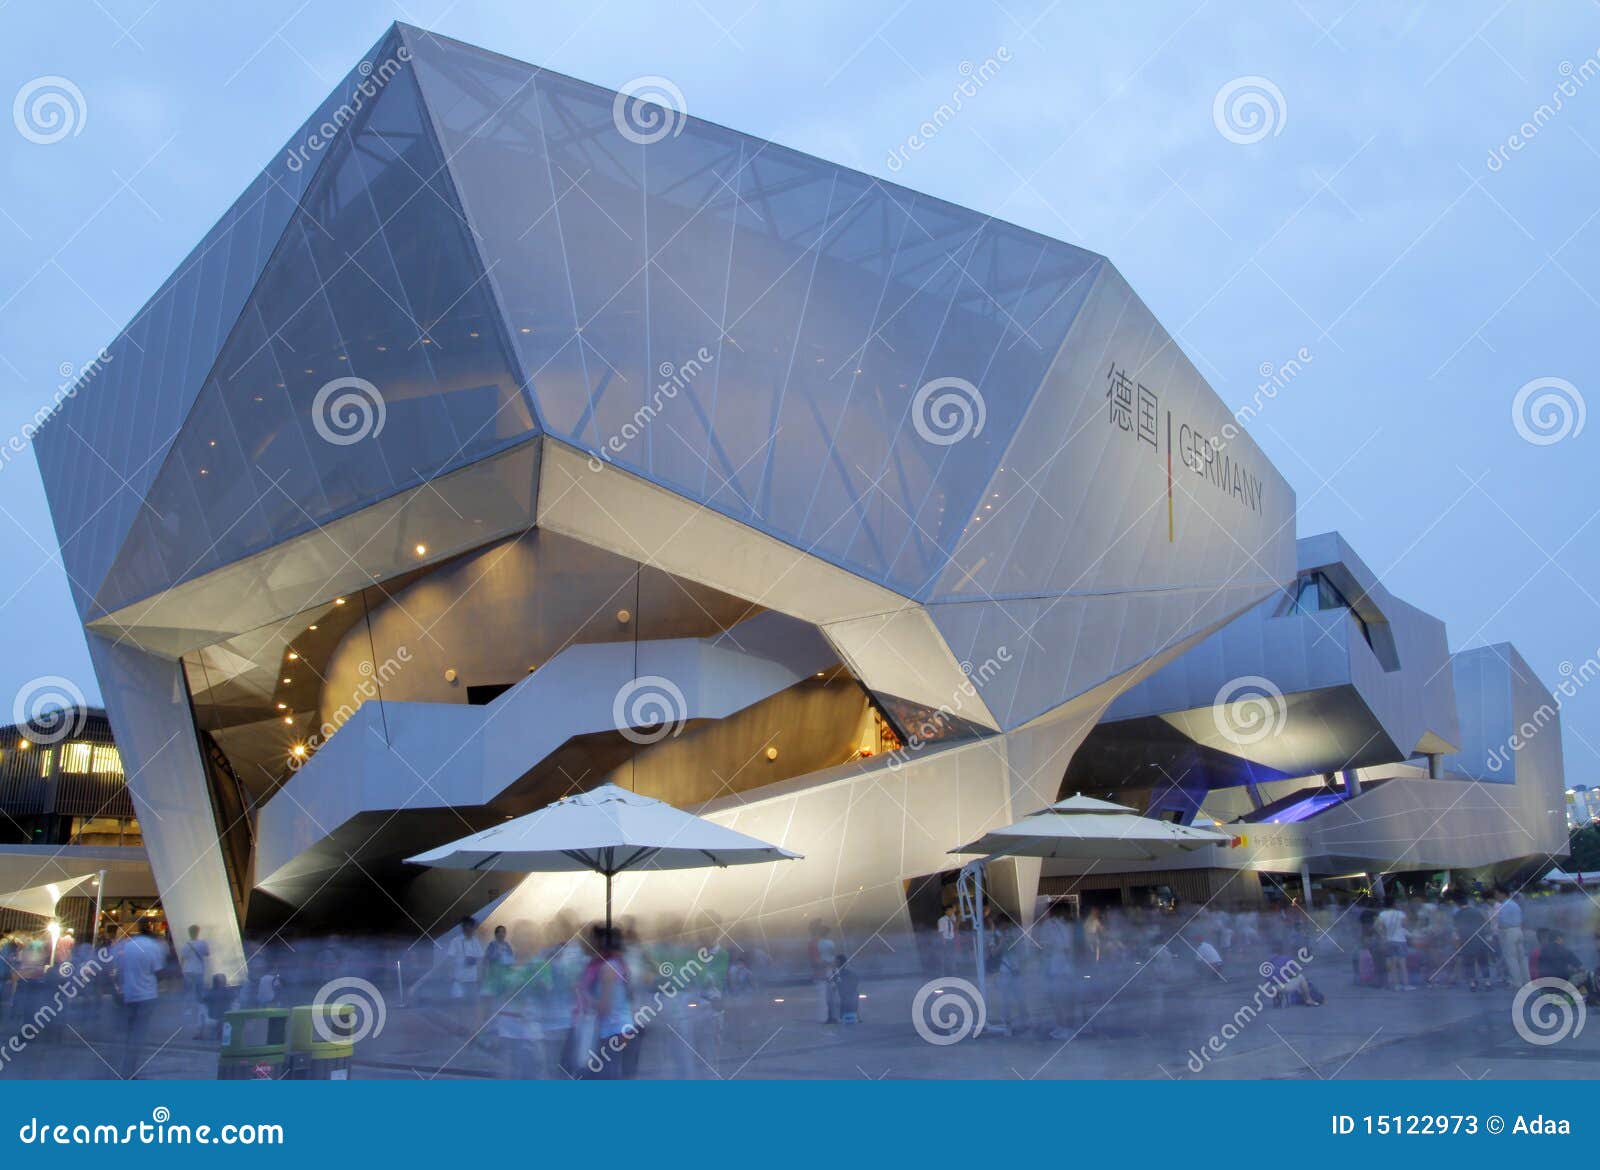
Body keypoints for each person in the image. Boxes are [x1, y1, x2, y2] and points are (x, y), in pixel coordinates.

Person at [573, 926, 635, 1079]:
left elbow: (604, 1008)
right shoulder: (617, 963)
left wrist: (583, 994)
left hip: (612, 1030)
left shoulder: (607, 968)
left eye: (591, 939)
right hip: (620, 1026)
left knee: (607, 1074)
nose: (588, 943)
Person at [114, 920, 167, 1079]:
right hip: (147, 995)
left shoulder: (128, 946)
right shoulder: (153, 947)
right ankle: (131, 1070)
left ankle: (126, 1067)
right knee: (140, 1034)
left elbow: (120, 969)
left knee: (130, 1033)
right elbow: (158, 972)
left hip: (130, 994)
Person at [444, 916, 486, 1033]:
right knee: (460, 1005)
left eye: (471, 927)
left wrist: (481, 977)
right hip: (459, 979)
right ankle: (460, 1027)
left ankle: (472, 1027)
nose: (469, 929)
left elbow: (480, 959)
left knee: (472, 1006)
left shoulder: (476, 941)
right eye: (466, 926)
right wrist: (450, 974)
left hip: (472, 979)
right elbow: (450, 959)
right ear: (463, 928)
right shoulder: (456, 941)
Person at [1453, 895, 1493, 991]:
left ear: (1458, 905)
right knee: (1483, 962)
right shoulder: (1477, 912)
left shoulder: (1458, 914)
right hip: (1480, 939)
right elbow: (1485, 925)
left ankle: (1472, 983)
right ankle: (1487, 982)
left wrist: (1457, 943)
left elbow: (1456, 930)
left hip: (1466, 940)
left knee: (1469, 962)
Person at [1493, 889, 1530, 986]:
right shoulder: (1514, 904)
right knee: (1521, 958)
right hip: (1518, 930)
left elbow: (1502, 922)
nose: (1495, 897)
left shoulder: (1505, 906)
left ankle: (1517, 982)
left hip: (1508, 932)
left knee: (1511, 958)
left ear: (1502, 894)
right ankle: (1526, 980)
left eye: (1496, 894)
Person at [180, 925, 211, 1038]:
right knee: (199, 991)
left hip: (188, 970)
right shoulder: (202, 943)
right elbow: (207, 954)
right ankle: (199, 1006)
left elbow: (183, 958)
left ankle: (188, 1009)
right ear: (198, 932)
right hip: (198, 970)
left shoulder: (185, 945)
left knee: (188, 990)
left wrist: (182, 970)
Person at [1377, 899, 1411, 991]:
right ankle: (1406, 985)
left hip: (1389, 941)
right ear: (1394, 904)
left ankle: (1395, 985)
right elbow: (1405, 925)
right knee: (1402, 964)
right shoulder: (1401, 914)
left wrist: (1383, 936)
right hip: (1400, 941)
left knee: (1392, 964)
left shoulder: (1382, 914)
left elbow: (1379, 927)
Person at [808, 920, 838, 1024]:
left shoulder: (821, 943)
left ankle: (830, 1017)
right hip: (822, 973)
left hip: (825, 972)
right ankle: (826, 1018)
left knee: (830, 997)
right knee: (825, 997)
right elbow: (816, 960)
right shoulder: (814, 943)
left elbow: (830, 958)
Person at [935, 904, 958, 974]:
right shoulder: (941, 920)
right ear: (946, 911)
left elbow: (956, 927)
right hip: (945, 940)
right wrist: (943, 941)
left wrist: (953, 920)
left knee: (952, 955)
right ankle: (943, 971)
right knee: (944, 956)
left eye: (952, 911)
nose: (951, 912)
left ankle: (953, 970)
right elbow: (940, 932)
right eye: (950, 911)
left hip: (952, 939)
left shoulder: (952, 919)